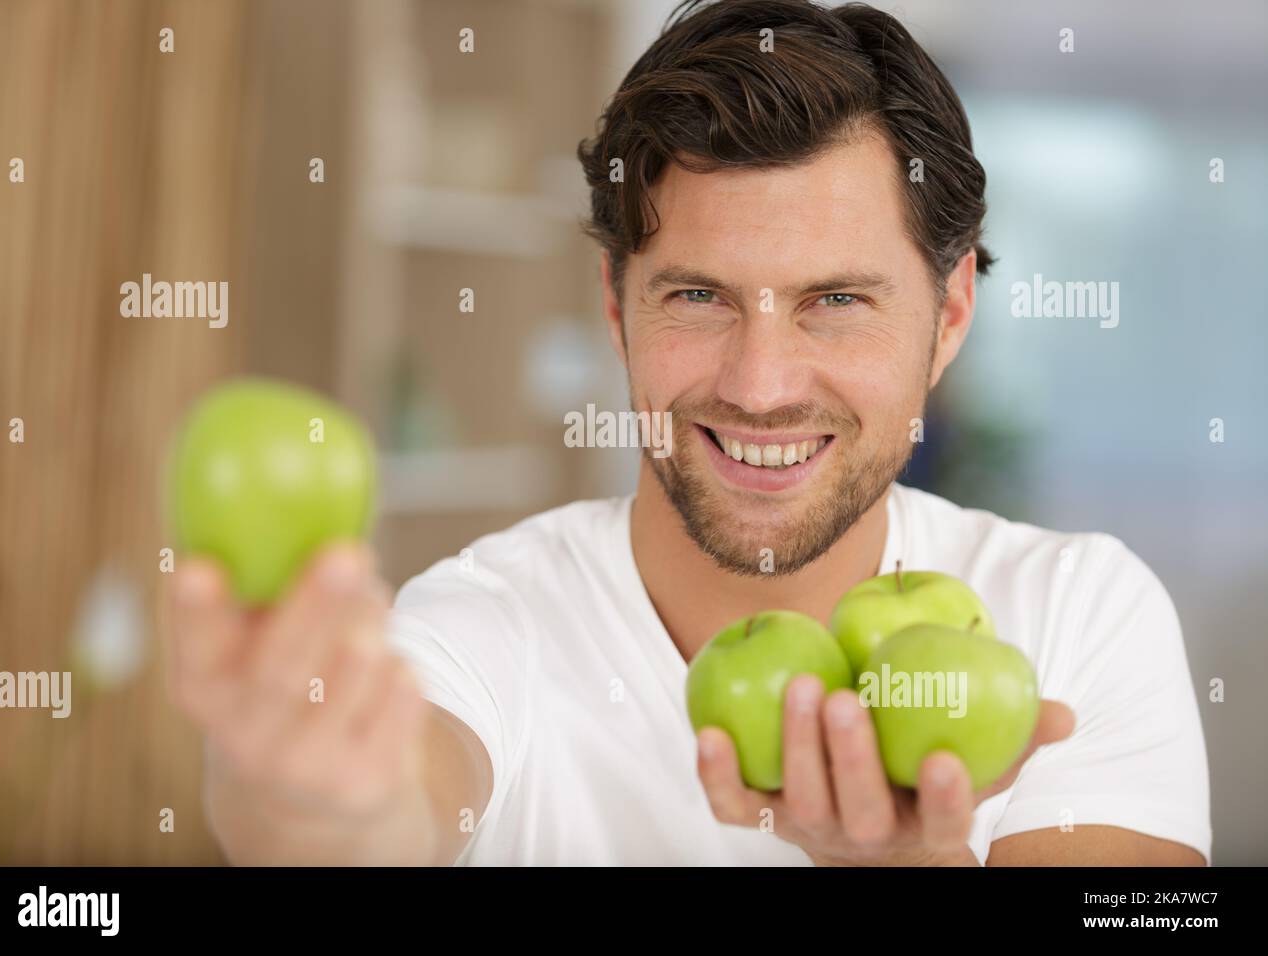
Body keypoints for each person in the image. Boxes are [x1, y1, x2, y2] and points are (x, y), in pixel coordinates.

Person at [167, 0, 1210, 866]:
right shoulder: (486, 621)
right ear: (617, 310)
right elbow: (387, 808)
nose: (759, 386)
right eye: (700, 295)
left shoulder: (1079, 617)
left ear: (948, 319)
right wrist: (303, 788)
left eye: (835, 300)